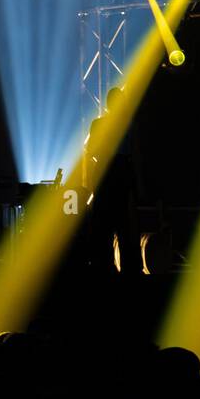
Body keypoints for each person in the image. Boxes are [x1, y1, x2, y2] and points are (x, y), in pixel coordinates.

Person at [86, 86, 143, 274]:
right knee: (124, 224)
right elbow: (134, 156)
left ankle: (104, 267)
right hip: (122, 173)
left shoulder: (98, 124)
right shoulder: (130, 126)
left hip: (105, 172)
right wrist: (137, 184)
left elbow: (91, 151)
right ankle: (129, 269)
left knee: (104, 224)